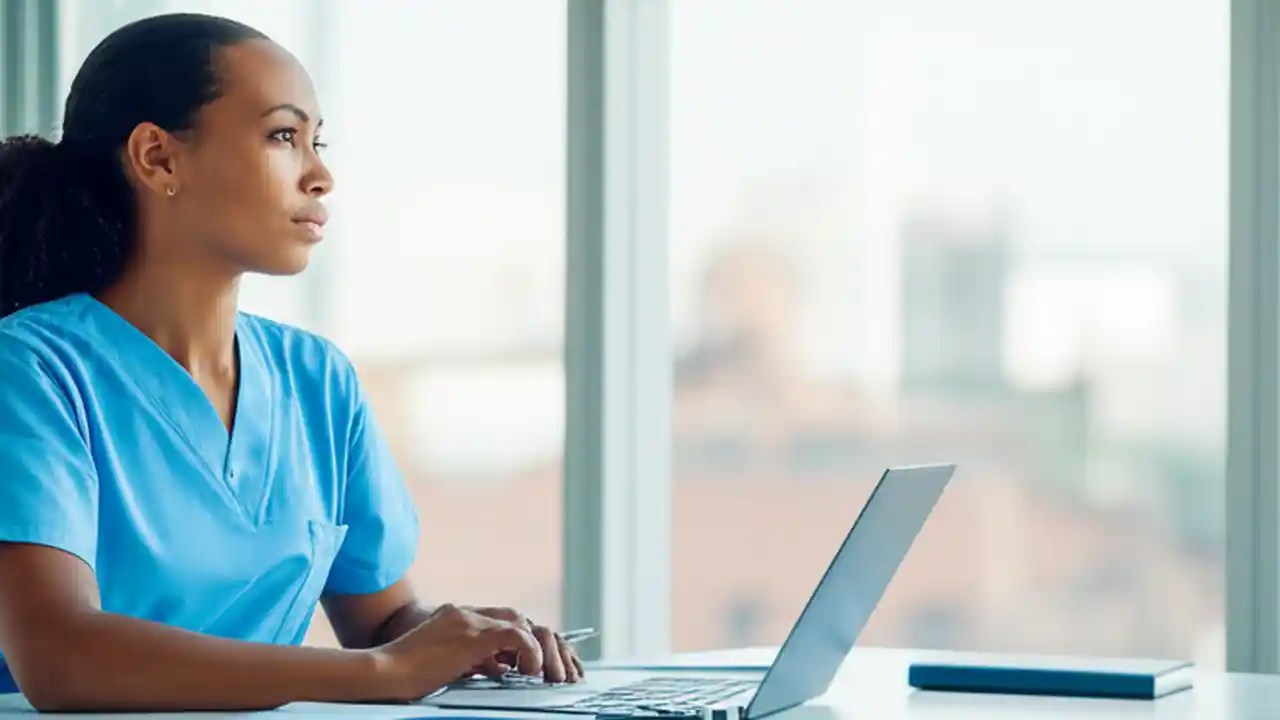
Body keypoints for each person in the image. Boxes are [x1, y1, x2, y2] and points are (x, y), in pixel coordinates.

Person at [0, 13, 581, 712]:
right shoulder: (30, 371)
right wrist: (382, 674)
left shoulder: (319, 382)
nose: (321, 174)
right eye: (283, 136)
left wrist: (466, 639)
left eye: (318, 141)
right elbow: (60, 659)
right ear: (157, 157)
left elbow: (381, 622)